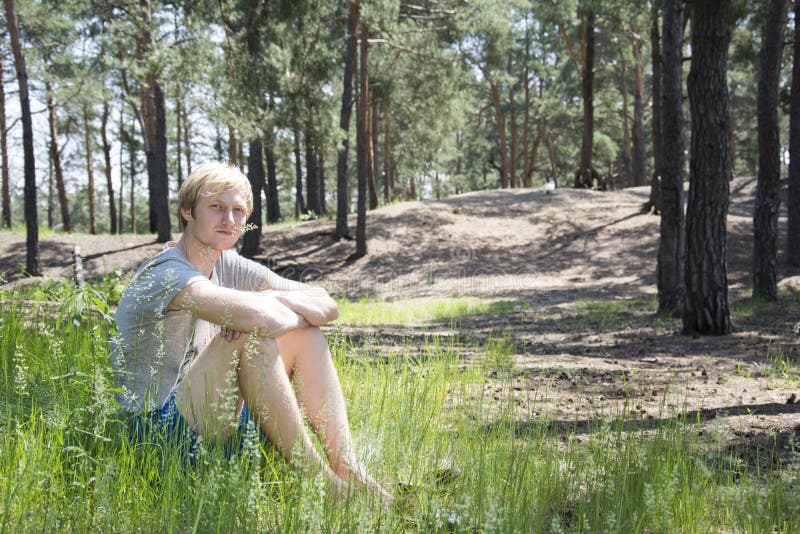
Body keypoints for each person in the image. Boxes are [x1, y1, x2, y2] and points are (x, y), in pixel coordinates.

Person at [112, 162, 392, 504]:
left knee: (306, 336)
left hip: (216, 416)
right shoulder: (168, 274)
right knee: (249, 335)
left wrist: (269, 304)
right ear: (187, 210)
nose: (229, 219)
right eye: (216, 207)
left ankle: (348, 467)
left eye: (238, 210)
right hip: (155, 433)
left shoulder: (226, 262)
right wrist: (264, 312)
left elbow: (325, 304)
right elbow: (260, 318)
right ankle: (326, 488)